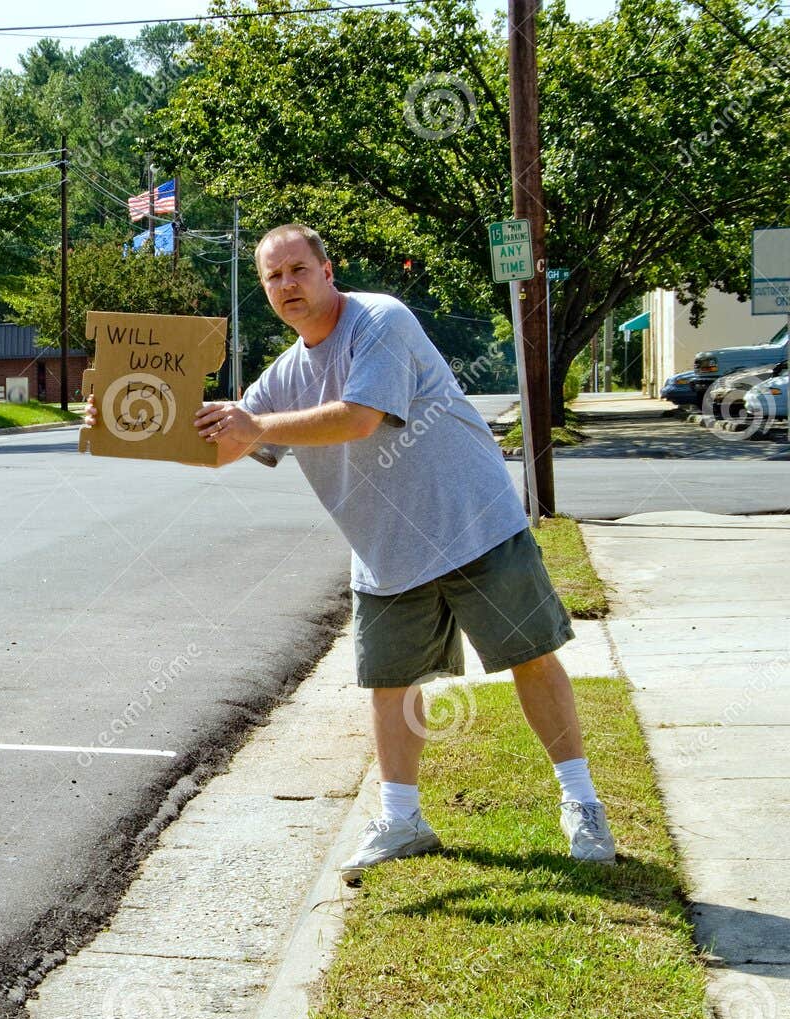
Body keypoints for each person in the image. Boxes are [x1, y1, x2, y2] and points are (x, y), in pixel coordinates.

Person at [84, 223, 615, 884]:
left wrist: (256, 423)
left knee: (529, 656)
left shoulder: (379, 320)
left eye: (298, 269)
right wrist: (124, 426)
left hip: (471, 521)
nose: (287, 285)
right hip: (385, 549)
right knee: (390, 684)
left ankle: (582, 803)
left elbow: (359, 416)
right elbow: (222, 448)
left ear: (327, 271)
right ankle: (402, 820)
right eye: (273, 277)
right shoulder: (284, 376)